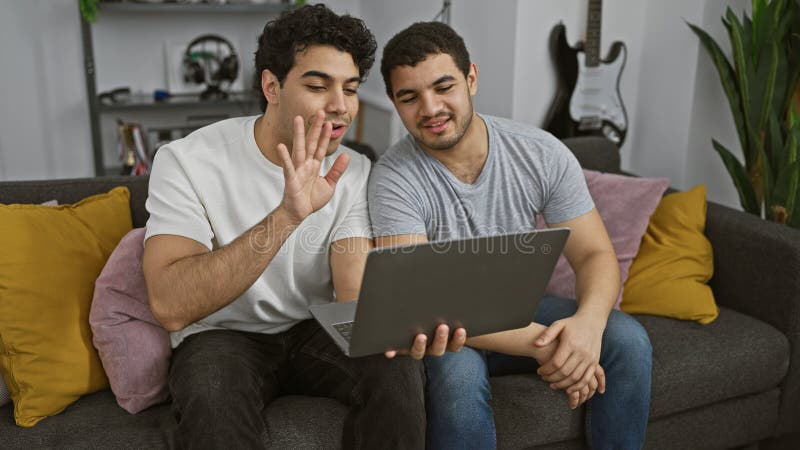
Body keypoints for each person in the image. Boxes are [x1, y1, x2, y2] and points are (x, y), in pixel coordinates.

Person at [142, 6, 441, 449]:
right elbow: (170, 305)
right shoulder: (187, 161)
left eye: (350, 89)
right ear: (271, 87)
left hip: (314, 329)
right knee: (212, 393)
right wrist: (287, 216)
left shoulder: (353, 169)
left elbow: (353, 294)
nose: (340, 106)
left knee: (396, 366)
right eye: (318, 86)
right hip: (222, 335)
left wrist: (409, 325)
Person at [369, 22, 652, 450]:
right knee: (458, 375)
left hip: (520, 307)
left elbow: (594, 253)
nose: (430, 108)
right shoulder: (392, 179)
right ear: (394, 102)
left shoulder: (540, 152)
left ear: (471, 79)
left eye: (443, 87)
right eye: (409, 97)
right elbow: (419, 304)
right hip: (449, 326)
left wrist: (588, 327)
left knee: (627, 340)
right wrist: (548, 347)